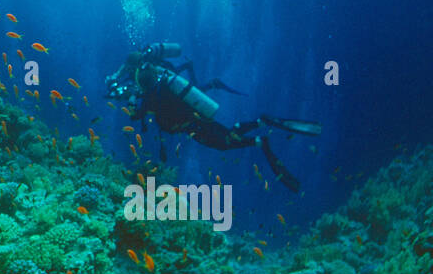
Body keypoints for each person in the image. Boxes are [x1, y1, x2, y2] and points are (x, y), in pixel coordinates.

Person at [103, 43, 320, 192]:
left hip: (193, 126)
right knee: (225, 137)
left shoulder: (149, 95)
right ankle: (260, 125)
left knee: (224, 143)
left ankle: (260, 135)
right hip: (195, 116)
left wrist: (129, 97)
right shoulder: (162, 74)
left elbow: (134, 115)